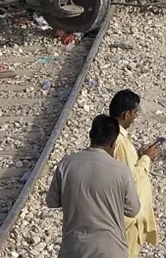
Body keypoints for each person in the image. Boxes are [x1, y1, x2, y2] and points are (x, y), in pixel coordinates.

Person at [46, 115, 141, 258]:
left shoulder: (66, 164)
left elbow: (51, 202)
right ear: (113, 143)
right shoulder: (121, 171)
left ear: (90, 135)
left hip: (74, 247)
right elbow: (133, 210)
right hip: (111, 248)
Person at [109, 90, 159, 258]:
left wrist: (138, 155)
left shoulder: (112, 134)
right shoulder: (120, 141)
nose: (136, 117)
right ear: (126, 114)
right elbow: (127, 178)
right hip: (128, 217)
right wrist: (146, 158)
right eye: (135, 112)